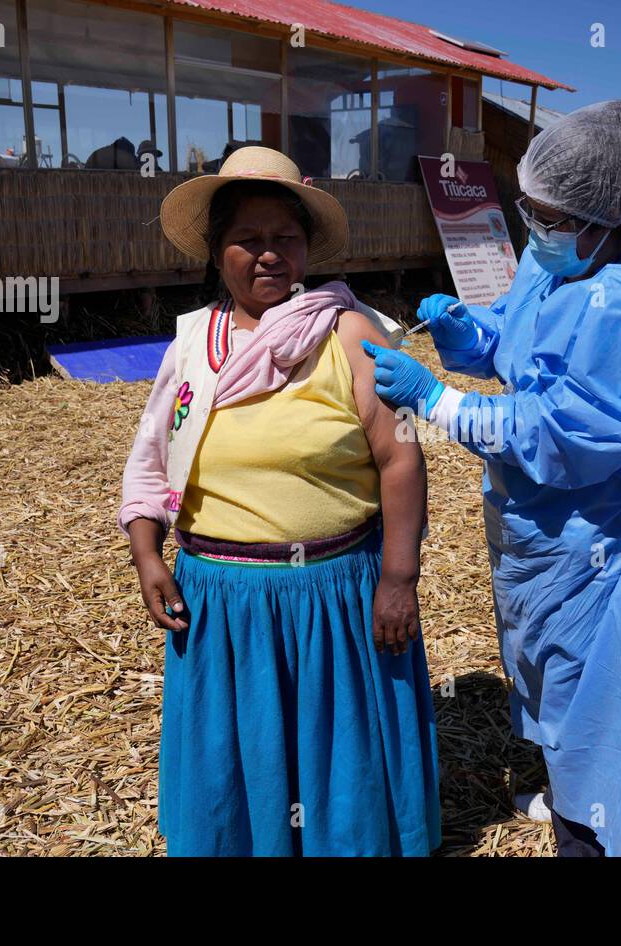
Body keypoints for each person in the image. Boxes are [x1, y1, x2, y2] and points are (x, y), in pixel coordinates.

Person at [364, 101, 621, 856]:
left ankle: (589, 828)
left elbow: (557, 432)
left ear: (611, 217)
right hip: (535, 528)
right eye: (528, 208)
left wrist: (438, 400)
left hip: (602, 542)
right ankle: (567, 786)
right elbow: (523, 336)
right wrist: (471, 331)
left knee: (598, 694)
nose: (535, 226)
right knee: (540, 667)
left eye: (551, 214)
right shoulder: (564, 254)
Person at [120, 146, 440, 856]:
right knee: (240, 764)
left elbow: (400, 454)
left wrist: (398, 578)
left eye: (284, 239)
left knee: (337, 762)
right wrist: (147, 553)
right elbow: (151, 457)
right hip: (222, 603)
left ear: (307, 248)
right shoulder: (192, 347)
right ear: (215, 251)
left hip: (331, 597)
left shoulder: (349, 333)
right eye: (249, 239)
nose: (269, 255)